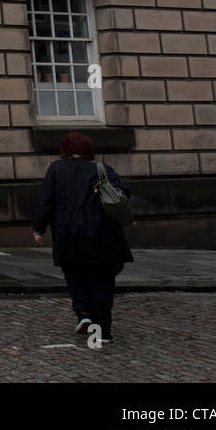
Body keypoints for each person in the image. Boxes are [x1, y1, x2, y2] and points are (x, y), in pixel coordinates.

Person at [33, 131, 133, 345]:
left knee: (74, 274)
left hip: (69, 233)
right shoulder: (101, 169)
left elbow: (45, 202)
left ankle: (83, 313)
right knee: (102, 282)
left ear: (65, 150)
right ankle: (103, 332)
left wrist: (39, 229)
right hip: (102, 234)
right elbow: (124, 193)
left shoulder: (56, 169)